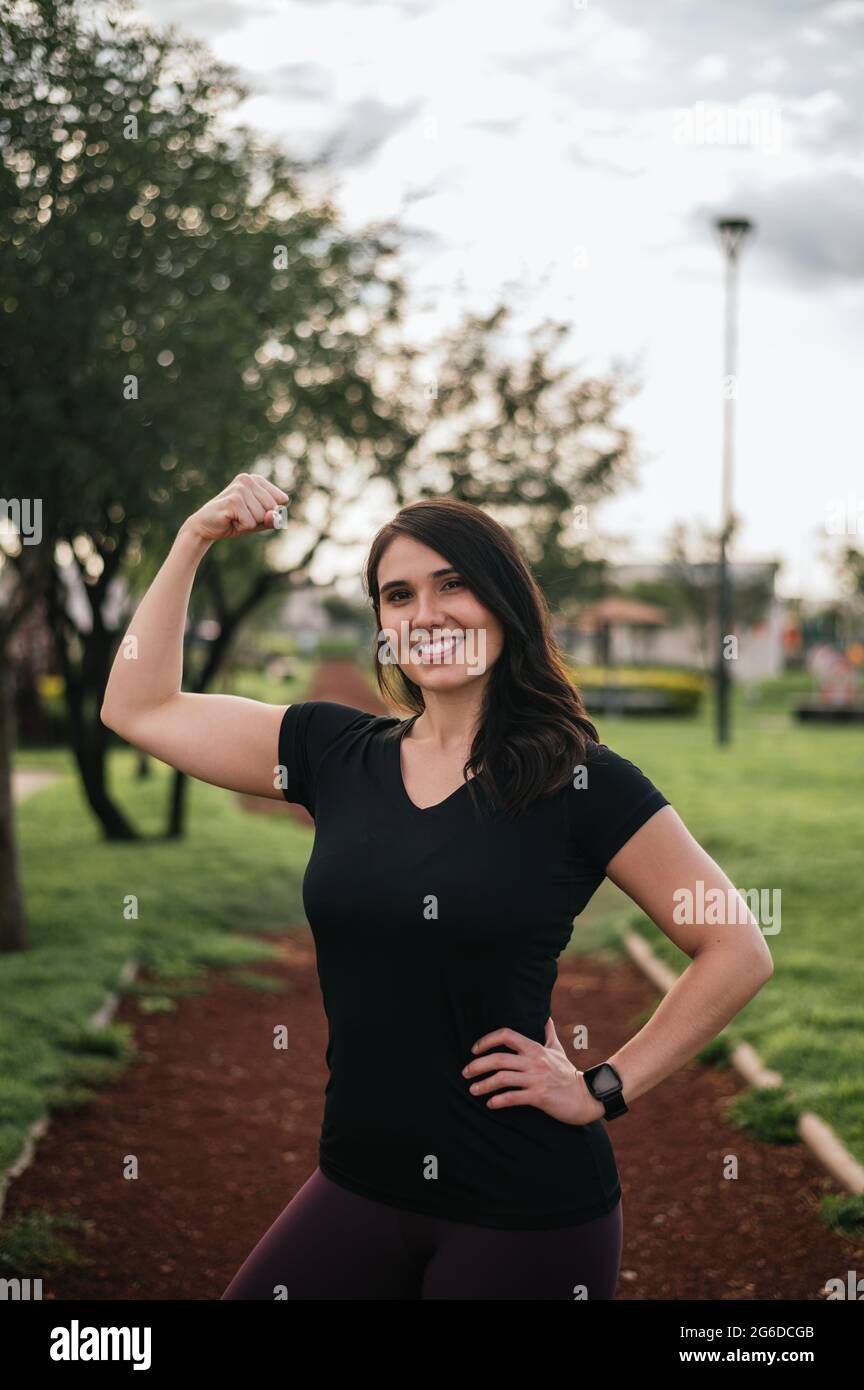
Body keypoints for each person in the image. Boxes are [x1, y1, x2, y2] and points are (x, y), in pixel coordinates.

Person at [100, 473, 774, 1301]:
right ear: (382, 626)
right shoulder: (331, 752)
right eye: (398, 594)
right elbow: (140, 708)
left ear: (503, 604)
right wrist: (192, 538)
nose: (426, 613)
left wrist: (603, 1086)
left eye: (453, 584)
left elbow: (736, 947)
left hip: (524, 1210)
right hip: (355, 1182)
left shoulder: (580, 782)